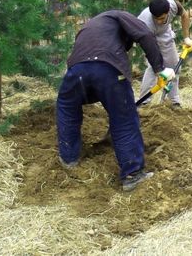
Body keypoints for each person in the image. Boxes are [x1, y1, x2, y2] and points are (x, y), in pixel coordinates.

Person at [56, 10, 175, 192]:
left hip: (76, 71)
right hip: (108, 67)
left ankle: (69, 159)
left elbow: (86, 65)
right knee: (123, 118)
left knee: (66, 108)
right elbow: (145, 35)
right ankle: (132, 174)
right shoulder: (121, 15)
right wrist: (160, 69)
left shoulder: (91, 26)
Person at [138, 0, 192, 108]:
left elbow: (184, 15)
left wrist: (186, 38)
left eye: (162, 18)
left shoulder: (173, 5)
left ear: (168, 12)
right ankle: (144, 102)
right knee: (153, 69)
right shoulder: (145, 23)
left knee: (174, 67)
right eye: (156, 19)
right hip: (149, 38)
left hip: (165, 34)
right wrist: (159, 70)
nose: (159, 21)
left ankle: (174, 101)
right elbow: (150, 49)